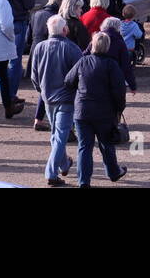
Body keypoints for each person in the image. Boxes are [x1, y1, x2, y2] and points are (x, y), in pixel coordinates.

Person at [63, 32, 129, 187]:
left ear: (93, 45)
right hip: (104, 113)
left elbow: (68, 81)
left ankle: (83, 181)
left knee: (84, 147)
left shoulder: (83, 61)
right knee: (106, 144)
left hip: (82, 111)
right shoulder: (112, 65)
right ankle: (113, 172)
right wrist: (119, 109)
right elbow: (119, 90)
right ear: (107, 47)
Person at [30, 13, 83, 186]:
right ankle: (51, 173)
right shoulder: (72, 49)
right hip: (66, 98)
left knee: (56, 135)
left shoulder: (39, 48)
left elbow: (34, 76)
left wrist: (42, 91)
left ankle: (64, 164)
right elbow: (80, 75)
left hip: (48, 98)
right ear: (65, 30)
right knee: (59, 136)